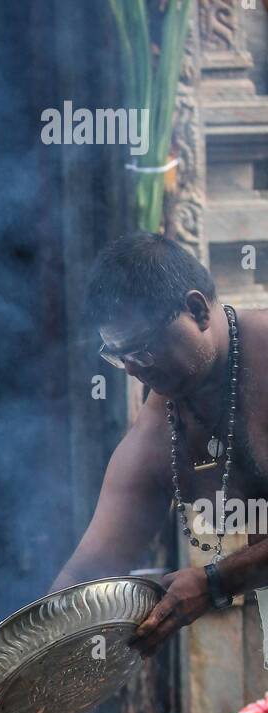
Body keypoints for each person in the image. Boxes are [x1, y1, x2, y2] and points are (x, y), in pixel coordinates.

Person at [54, 232, 268, 652]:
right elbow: (90, 571)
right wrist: (12, 658)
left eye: (143, 349)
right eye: (119, 356)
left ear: (196, 310)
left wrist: (214, 582)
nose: (133, 371)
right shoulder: (161, 425)